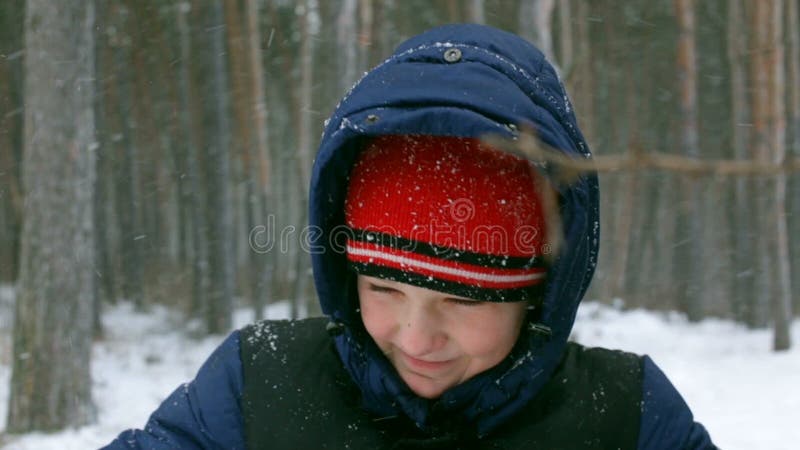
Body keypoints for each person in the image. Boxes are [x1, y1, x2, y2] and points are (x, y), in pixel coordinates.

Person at [102, 24, 716, 449]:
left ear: (538, 290)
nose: (418, 337)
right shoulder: (261, 384)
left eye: (465, 298)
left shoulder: (624, 418)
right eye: (384, 286)